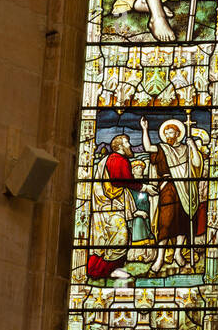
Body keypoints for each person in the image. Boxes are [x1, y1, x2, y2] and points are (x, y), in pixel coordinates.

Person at [139, 116, 204, 275]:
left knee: (183, 220)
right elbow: (148, 147)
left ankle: (177, 253)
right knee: (165, 222)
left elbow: (196, 164)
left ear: (178, 134)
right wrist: (145, 129)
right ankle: (160, 257)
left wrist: (193, 147)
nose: (168, 135)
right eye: (166, 133)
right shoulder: (162, 148)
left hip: (185, 189)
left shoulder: (186, 149)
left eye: (171, 132)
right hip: (167, 188)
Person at [86, 133, 143, 280]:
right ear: (120, 147)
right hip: (110, 206)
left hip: (106, 205)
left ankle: (111, 270)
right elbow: (121, 181)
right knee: (119, 237)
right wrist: (144, 188)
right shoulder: (117, 160)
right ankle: (101, 271)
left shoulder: (110, 159)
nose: (130, 146)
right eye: (127, 143)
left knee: (106, 239)